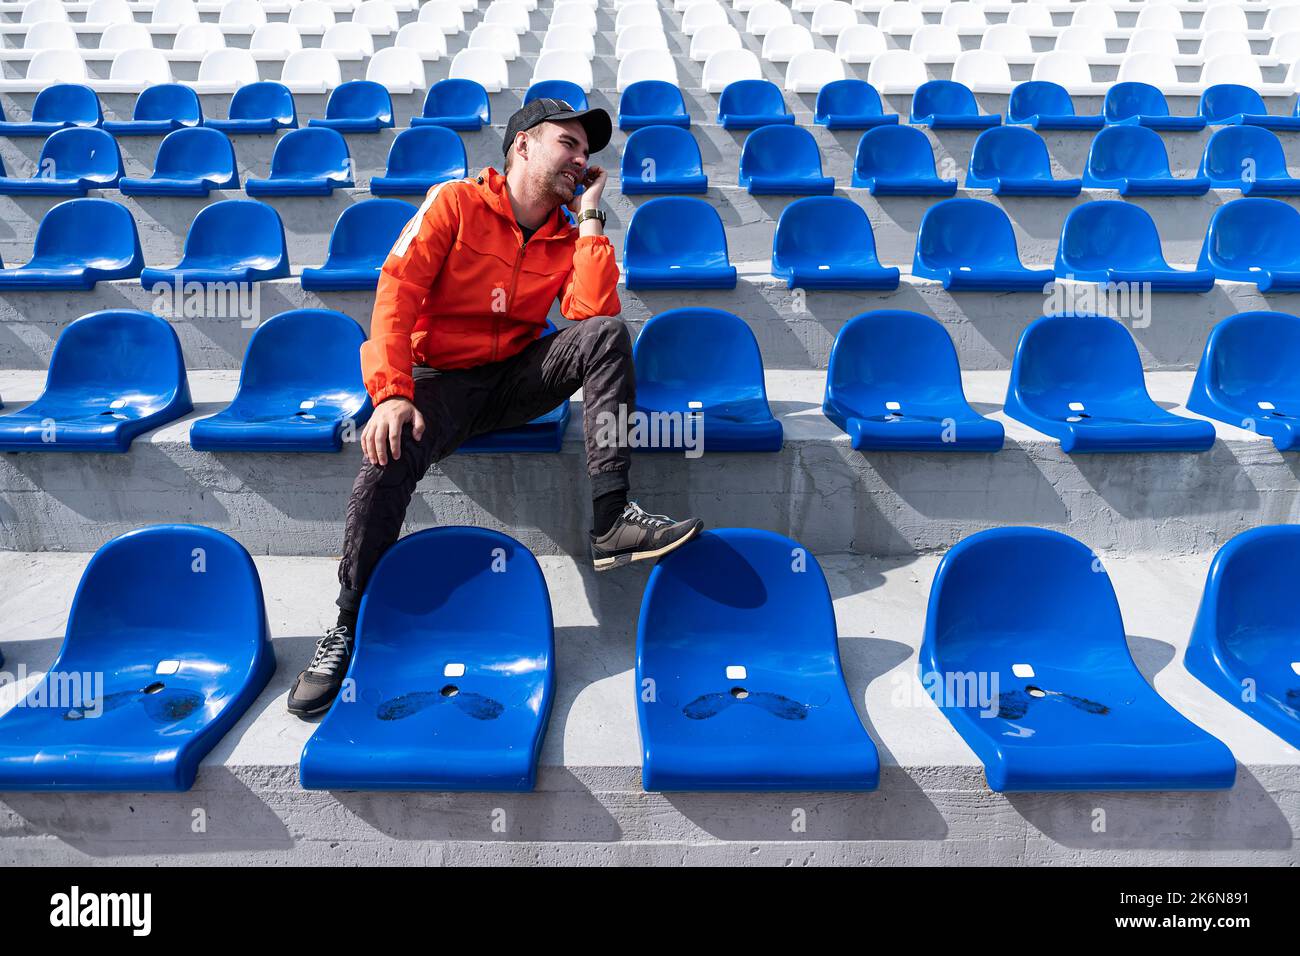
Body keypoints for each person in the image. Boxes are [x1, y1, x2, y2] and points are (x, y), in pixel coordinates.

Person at [288, 99, 704, 717]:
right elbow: (396, 290)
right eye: (568, 144)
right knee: (385, 462)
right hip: (438, 381)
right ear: (523, 147)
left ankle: (611, 522)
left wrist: (589, 217)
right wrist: (393, 393)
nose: (580, 159)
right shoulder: (455, 201)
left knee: (608, 336)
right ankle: (347, 622)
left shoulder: (566, 232)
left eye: (587, 154)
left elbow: (591, 313)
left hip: (512, 379)